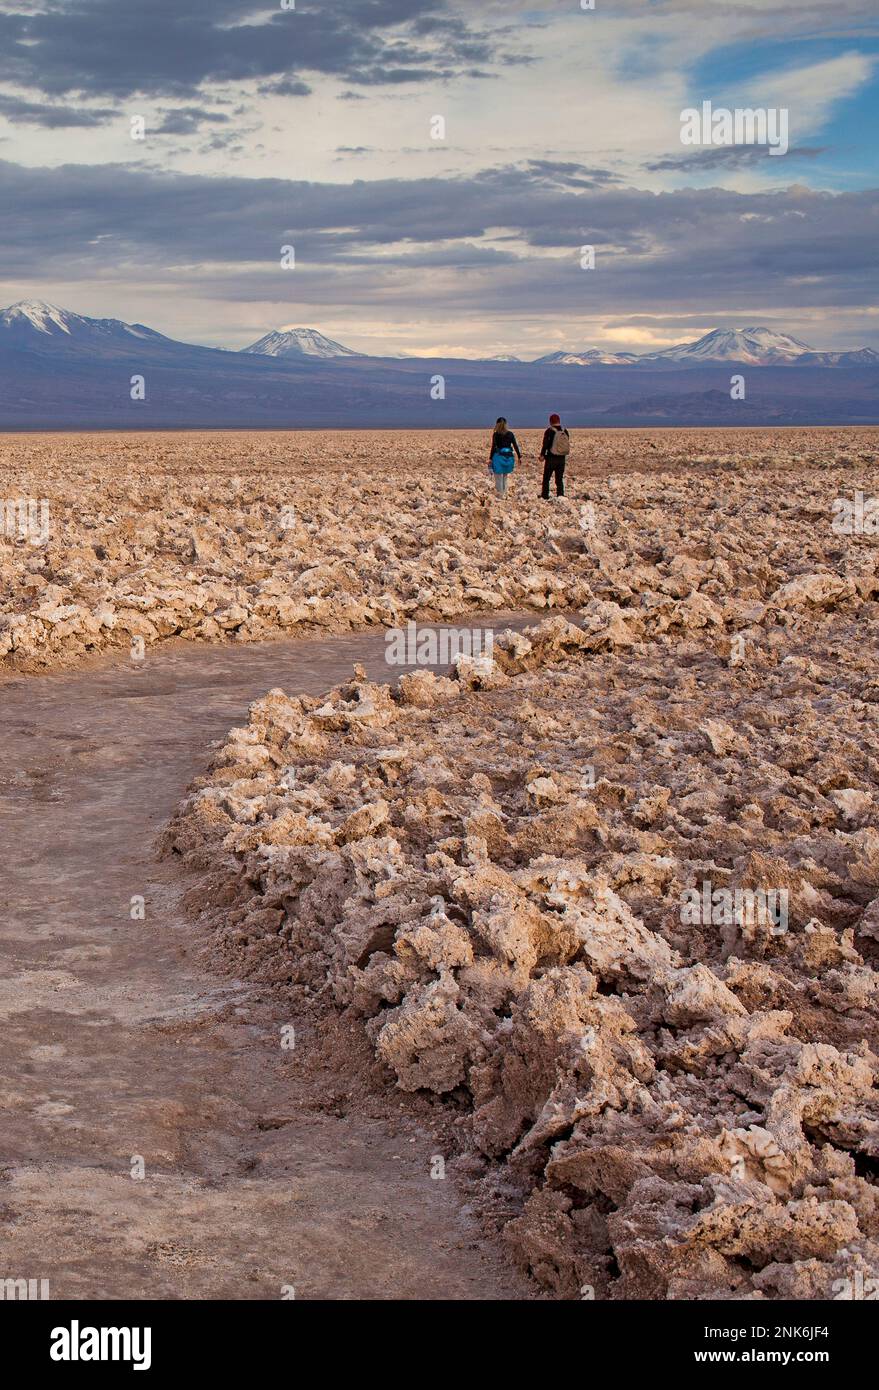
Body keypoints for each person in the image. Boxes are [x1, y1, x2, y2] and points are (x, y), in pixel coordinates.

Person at [487, 417, 521, 497]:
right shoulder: (510, 434)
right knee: (505, 477)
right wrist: (519, 457)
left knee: (498, 477)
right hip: (508, 458)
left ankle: (500, 495)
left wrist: (490, 458)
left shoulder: (496, 434)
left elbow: (493, 447)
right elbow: (515, 445)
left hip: (498, 458)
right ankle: (505, 494)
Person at [540, 413, 570, 498]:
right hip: (562, 458)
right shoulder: (565, 431)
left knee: (546, 478)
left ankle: (545, 495)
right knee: (559, 479)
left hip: (551, 458)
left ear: (550, 421)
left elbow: (545, 444)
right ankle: (560, 495)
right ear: (559, 421)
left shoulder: (549, 431)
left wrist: (542, 455)